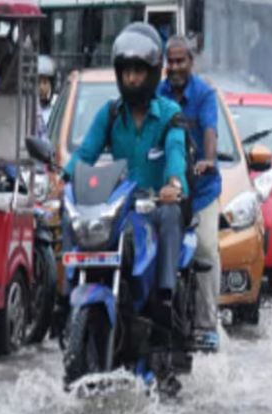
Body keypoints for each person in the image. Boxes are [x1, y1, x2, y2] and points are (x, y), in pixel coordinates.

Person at [65, 23, 187, 330]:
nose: (132, 78)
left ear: (153, 72)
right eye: (126, 71)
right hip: (120, 207)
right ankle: (65, 292)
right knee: (71, 213)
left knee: (171, 214)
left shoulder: (170, 113)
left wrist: (173, 184)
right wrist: (64, 177)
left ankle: (164, 296)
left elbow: (176, 152)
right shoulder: (109, 113)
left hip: (154, 204)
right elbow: (85, 154)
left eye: (139, 71)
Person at [160, 35, 223, 354]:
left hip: (201, 191)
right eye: (169, 61)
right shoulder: (157, 94)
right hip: (168, 190)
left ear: (190, 63)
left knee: (206, 251)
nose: (174, 67)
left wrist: (207, 161)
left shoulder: (204, 94)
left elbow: (210, 131)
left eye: (180, 61)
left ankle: (207, 325)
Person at [36, 55, 55, 139]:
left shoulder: (56, 108)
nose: (41, 87)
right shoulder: (28, 110)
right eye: (38, 82)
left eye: (45, 82)